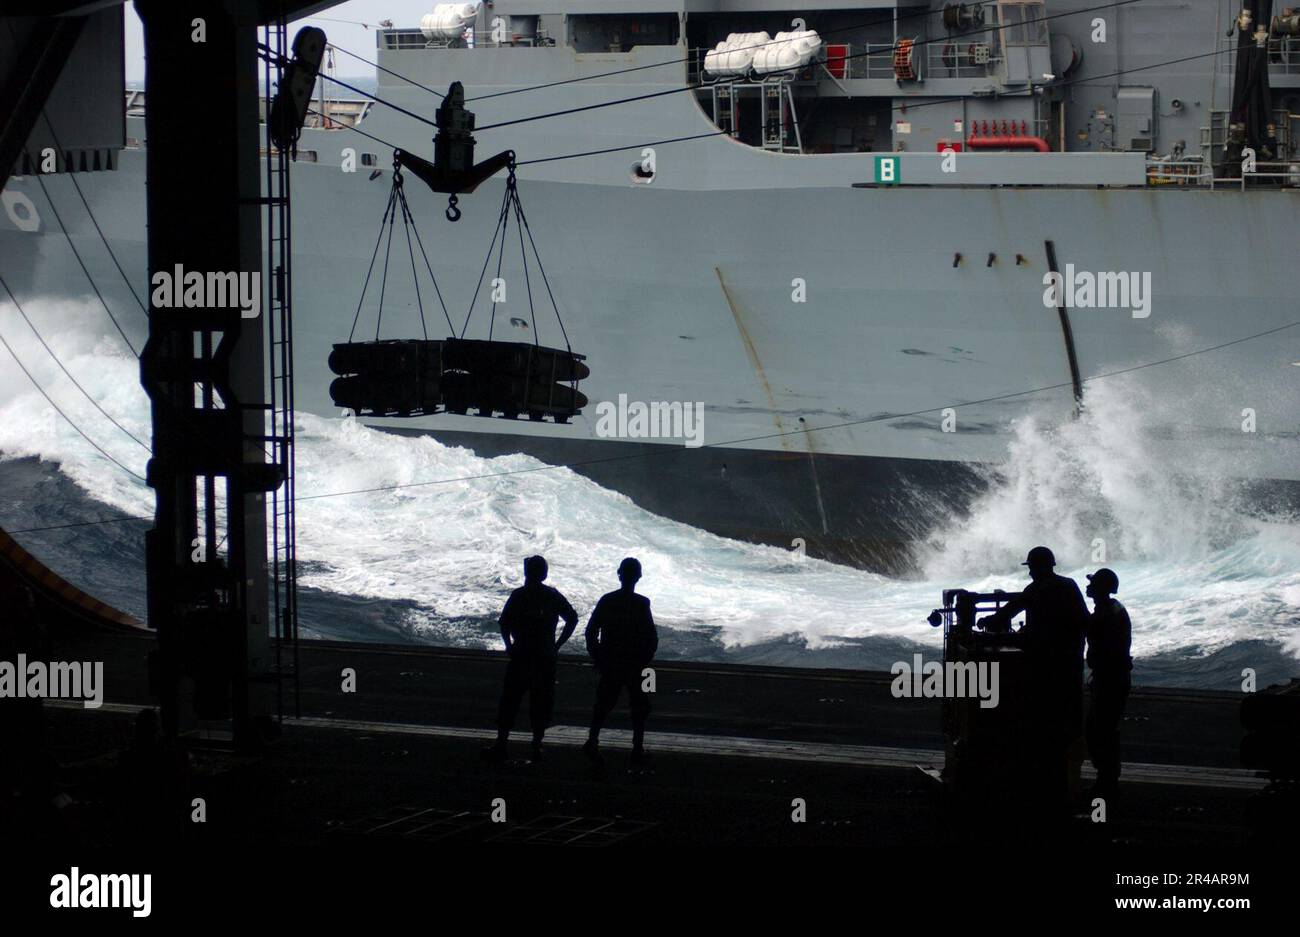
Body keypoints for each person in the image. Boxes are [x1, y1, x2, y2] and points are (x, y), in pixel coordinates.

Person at [980, 546, 1089, 810]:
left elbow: (1006, 615)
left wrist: (988, 622)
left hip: (1044, 668)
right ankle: (1068, 786)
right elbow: (1084, 621)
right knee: (1069, 722)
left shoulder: (1035, 590)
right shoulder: (1069, 586)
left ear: (1038, 567)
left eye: (1030, 567)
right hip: (1071, 665)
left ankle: (1042, 783)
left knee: (1041, 724)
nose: (1029, 571)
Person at [482, 555, 578, 764]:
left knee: (510, 701)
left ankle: (501, 743)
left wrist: (509, 646)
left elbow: (504, 624)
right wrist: (557, 645)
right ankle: (535, 746)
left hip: (521, 654)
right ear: (543, 573)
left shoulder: (519, 595)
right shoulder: (552, 596)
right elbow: (572, 618)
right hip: (544, 656)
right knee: (541, 702)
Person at [583, 558, 658, 767]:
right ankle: (637, 748)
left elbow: (590, 632)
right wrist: (645, 659)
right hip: (635, 664)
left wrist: (597, 656)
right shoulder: (642, 603)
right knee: (641, 706)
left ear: (619, 574)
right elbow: (651, 637)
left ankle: (592, 740)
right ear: (639, 576)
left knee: (603, 704)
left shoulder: (608, 600)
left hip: (612, 663)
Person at [1084, 567, 1132, 799]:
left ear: (1101, 589)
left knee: (1100, 731)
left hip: (1109, 679)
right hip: (1113, 677)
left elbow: (1088, 629)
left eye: (1093, 584)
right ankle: (1107, 780)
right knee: (1103, 730)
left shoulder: (1104, 615)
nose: (1088, 586)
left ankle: (1107, 782)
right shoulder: (1114, 609)